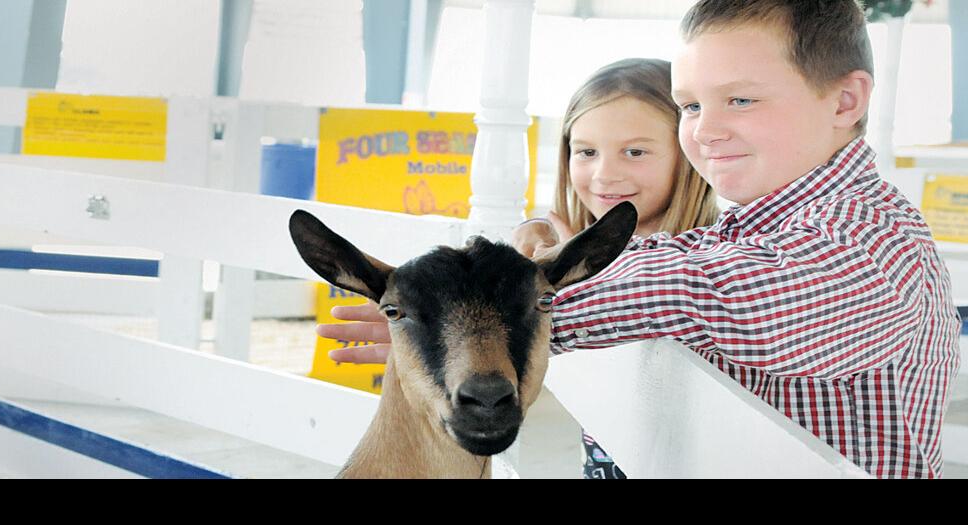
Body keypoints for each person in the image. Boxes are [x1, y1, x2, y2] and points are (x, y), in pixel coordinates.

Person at [322, 0, 962, 478]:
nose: (706, 131)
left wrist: (500, 316)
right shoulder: (751, 228)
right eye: (689, 106)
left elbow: (720, 296)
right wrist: (476, 318)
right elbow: (674, 260)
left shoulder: (872, 241)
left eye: (739, 99)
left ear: (845, 99)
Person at [320, 57, 720, 479]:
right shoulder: (554, 250)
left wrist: (538, 295)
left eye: (635, 151)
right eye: (585, 151)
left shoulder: (707, 258)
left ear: (688, 150)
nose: (604, 174)